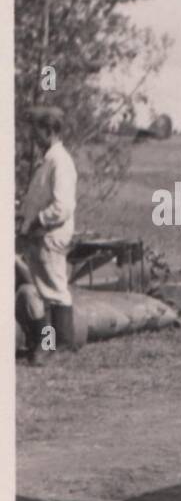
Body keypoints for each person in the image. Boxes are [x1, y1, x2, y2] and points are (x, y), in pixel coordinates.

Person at [18, 105, 79, 364]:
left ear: (50, 130)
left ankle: (58, 345)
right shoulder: (50, 160)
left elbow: (63, 206)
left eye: (37, 130)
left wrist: (38, 221)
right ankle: (53, 344)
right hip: (41, 234)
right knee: (47, 291)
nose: (33, 135)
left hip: (50, 235)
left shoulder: (60, 161)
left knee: (53, 291)